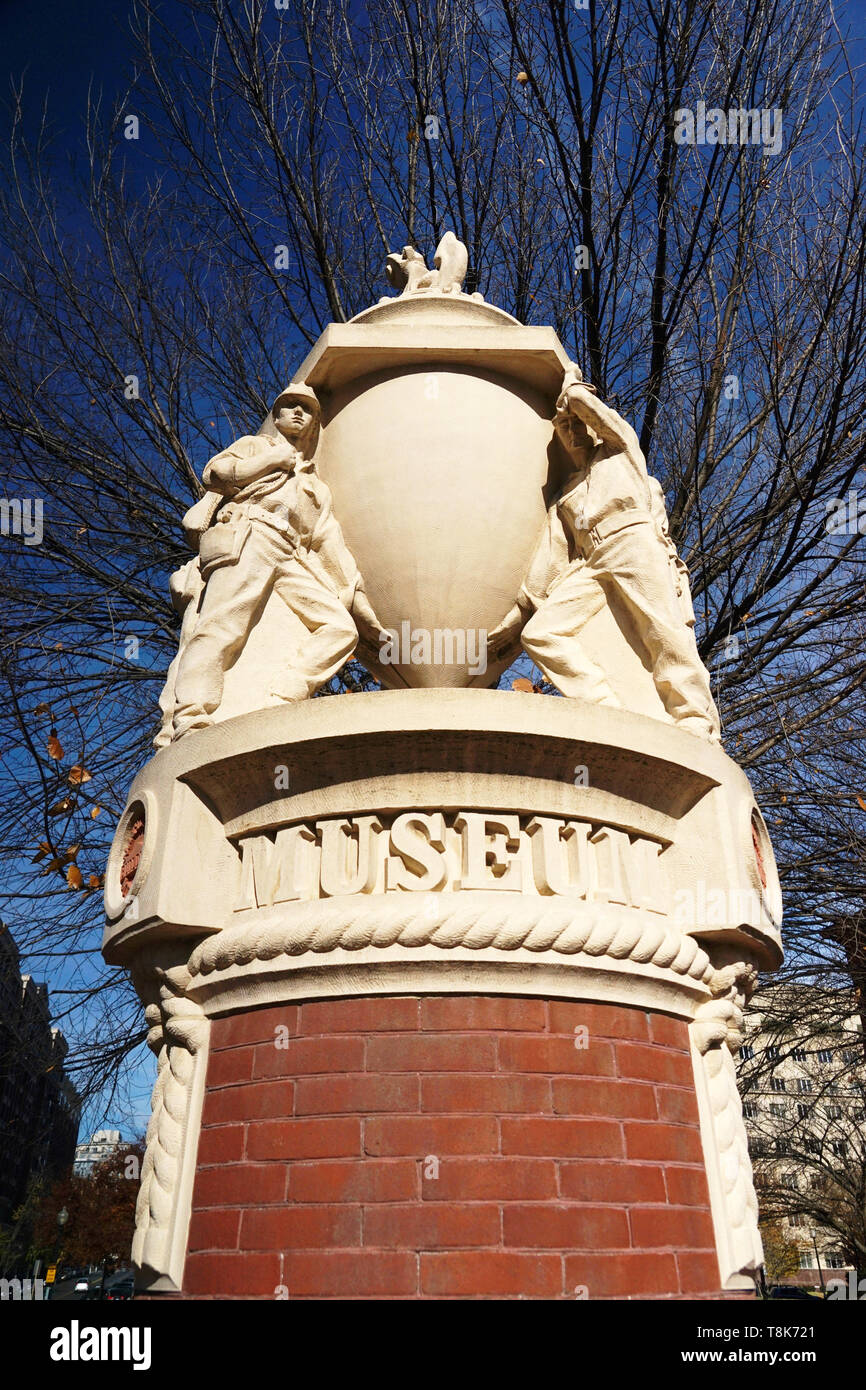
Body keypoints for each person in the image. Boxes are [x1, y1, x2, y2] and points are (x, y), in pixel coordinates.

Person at [489, 365, 721, 741]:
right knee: (542, 633)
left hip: (634, 541)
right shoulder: (566, 494)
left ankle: (693, 715)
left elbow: (604, 419)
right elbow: (547, 563)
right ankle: (607, 710)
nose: (573, 431)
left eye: (578, 424)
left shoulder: (620, 451)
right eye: (565, 428)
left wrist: (574, 392)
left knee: (661, 628)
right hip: (594, 560)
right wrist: (511, 623)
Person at [170, 383, 381, 739]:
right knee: (222, 627)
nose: (299, 412)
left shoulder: (316, 486)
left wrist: (359, 602)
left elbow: (328, 542)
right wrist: (271, 460)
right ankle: (191, 715)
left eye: (307, 409)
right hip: (249, 535)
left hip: (288, 552)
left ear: (314, 422)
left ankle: (281, 700)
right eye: (291, 406)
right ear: (277, 415)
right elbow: (216, 475)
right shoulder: (256, 446)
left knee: (340, 629)